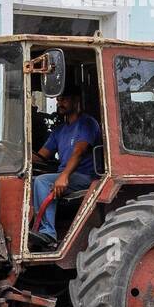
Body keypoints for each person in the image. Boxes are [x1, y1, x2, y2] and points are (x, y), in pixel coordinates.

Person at [29, 89, 101, 249]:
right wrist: (16, 157)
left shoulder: (87, 123)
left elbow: (79, 151)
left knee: (41, 181)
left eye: (64, 99)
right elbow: (42, 155)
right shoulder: (59, 130)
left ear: (77, 101)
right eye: (58, 99)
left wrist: (64, 176)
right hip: (66, 175)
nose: (59, 103)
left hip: (84, 176)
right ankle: (32, 229)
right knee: (30, 181)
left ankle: (48, 233)